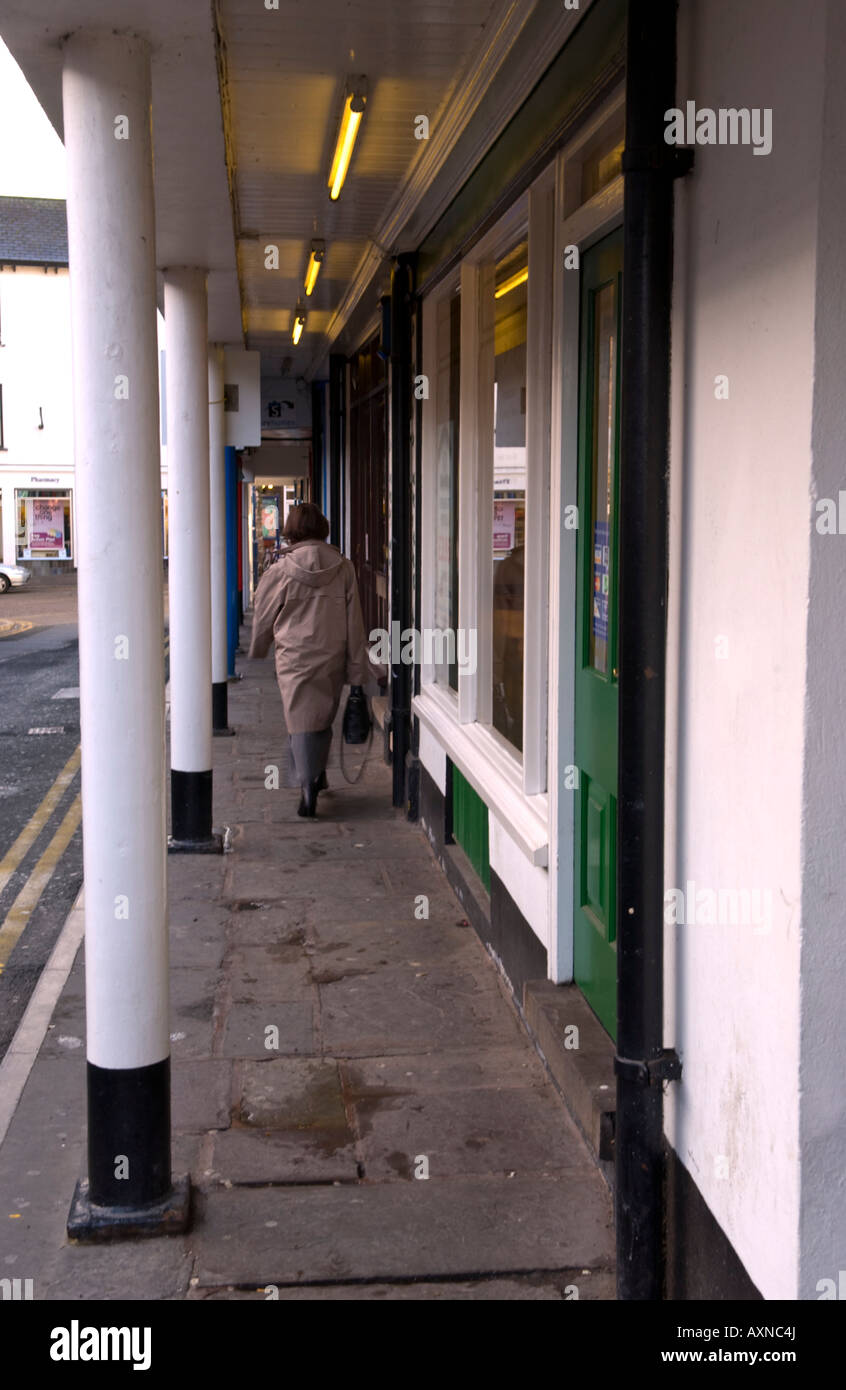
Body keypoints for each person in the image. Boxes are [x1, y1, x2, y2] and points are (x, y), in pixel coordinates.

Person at [247, 502, 374, 817]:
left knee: (299, 719)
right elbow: (354, 621)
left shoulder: (280, 570)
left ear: (291, 531)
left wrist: (259, 646)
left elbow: (263, 613)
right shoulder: (343, 568)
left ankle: (307, 785)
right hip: (332, 651)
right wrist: (357, 667)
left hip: (293, 656)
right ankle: (317, 774)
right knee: (322, 715)